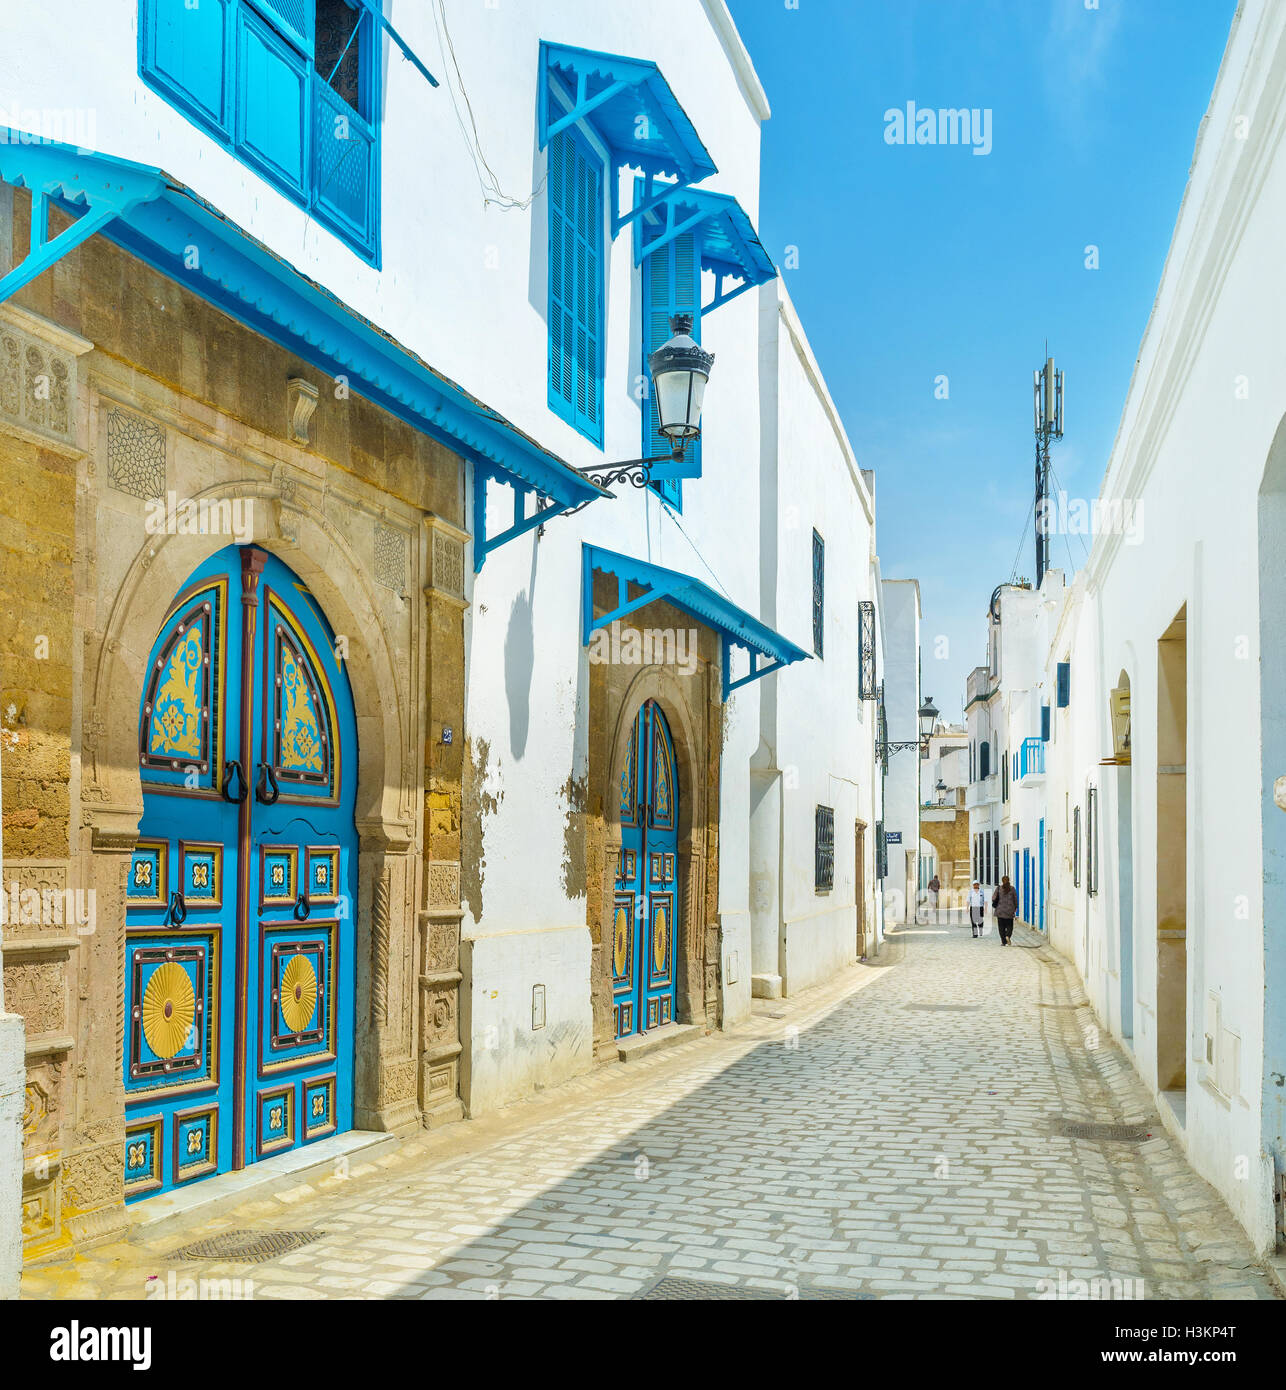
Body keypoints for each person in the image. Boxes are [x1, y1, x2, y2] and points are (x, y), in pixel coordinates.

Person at [992, 875, 1018, 946]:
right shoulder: (1012, 889)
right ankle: (1008, 936)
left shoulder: (999, 888)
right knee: (1010, 926)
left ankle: (1003, 942)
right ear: (1009, 880)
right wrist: (1015, 907)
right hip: (1010, 910)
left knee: (1001, 927)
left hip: (1000, 911)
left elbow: (993, 898)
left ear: (1002, 881)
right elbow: (1015, 899)